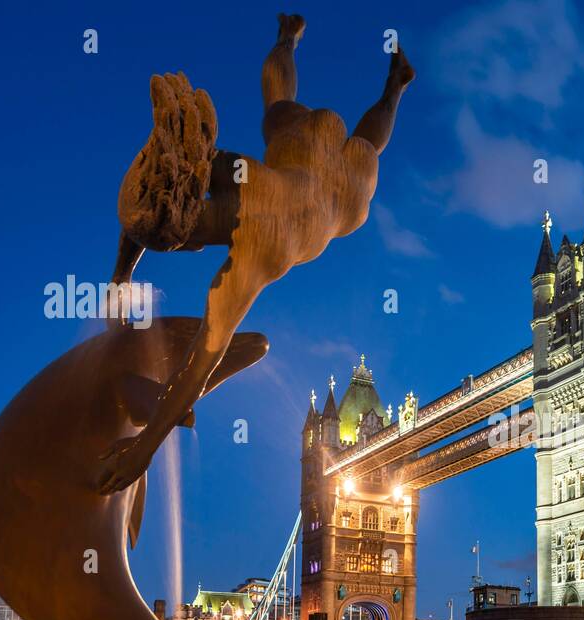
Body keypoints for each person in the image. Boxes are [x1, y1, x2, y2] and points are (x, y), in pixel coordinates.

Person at [98, 13, 414, 493]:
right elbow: (148, 210)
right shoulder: (228, 168)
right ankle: (323, 52)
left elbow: (198, 366)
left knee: (365, 144)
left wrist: (140, 455)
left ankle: (388, 82)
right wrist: (119, 281)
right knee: (280, 106)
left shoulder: (253, 257)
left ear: (189, 239)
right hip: (303, 147)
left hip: (341, 196)